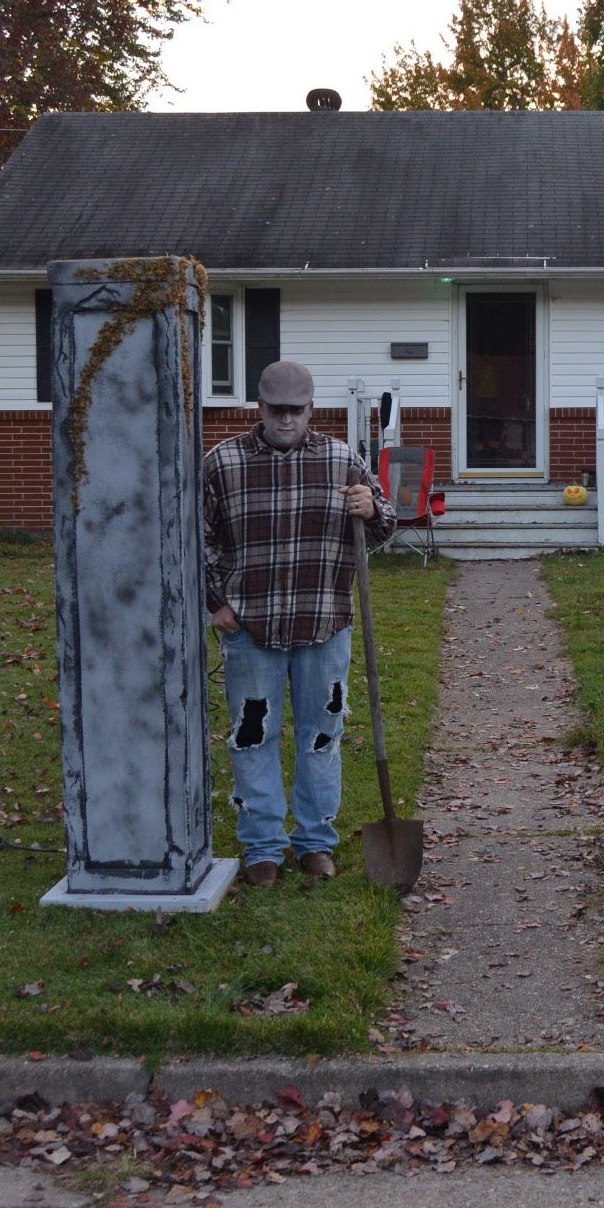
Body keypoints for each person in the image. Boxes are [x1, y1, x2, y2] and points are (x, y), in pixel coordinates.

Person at [203, 360, 395, 886]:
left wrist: (370, 510)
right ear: (259, 409)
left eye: (297, 410)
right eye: (276, 410)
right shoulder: (222, 464)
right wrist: (213, 600)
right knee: (252, 735)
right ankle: (262, 847)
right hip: (251, 629)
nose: (286, 420)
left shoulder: (342, 461)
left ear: (311, 409)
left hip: (324, 623)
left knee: (321, 735)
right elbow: (197, 539)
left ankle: (314, 842)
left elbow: (384, 529)